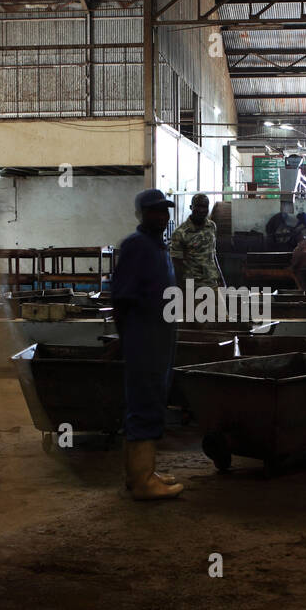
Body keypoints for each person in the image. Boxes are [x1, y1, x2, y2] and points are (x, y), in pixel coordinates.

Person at [112, 188, 183, 501]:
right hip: (144, 338)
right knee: (145, 403)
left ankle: (140, 472)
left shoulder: (158, 247)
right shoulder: (137, 246)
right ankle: (143, 482)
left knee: (151, 400)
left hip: (159, 336)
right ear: (141, 214)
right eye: (155, 211)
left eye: (165, 211)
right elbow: (121, 299)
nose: (162, 216)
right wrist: (127, 339)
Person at [168, 193, 224, 298]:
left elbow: (212, 253)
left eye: (204, 207)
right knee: (195, 315)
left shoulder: (211, 226)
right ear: (191, 207)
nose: (201, 210)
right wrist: (181, 292)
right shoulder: (180, 232)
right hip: (192, 287)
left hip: (211, 283)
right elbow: (176, 264)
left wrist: (220, 277)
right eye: (198, 206)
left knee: (222, 314)